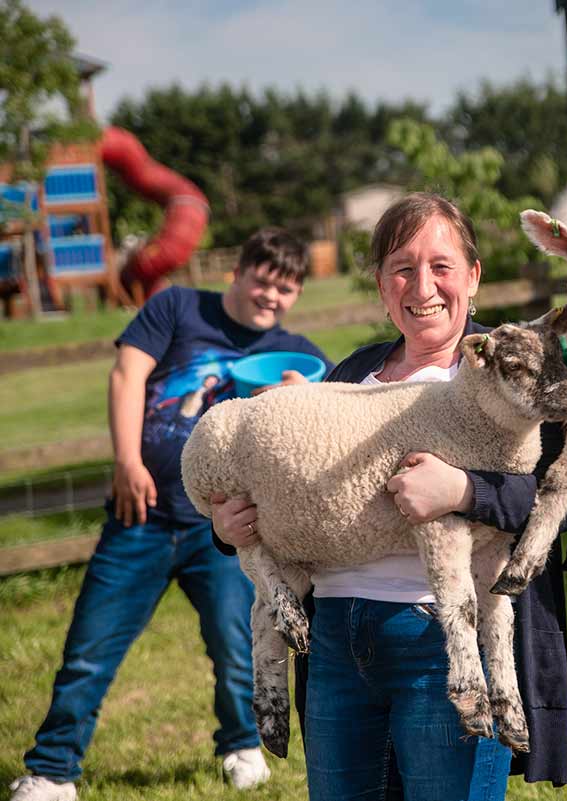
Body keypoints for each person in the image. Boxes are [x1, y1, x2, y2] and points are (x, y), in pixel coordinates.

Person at [211, 192, 567, 801]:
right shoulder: (351, 377)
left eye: (441, 266)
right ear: (382, 287)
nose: (422, 285)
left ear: (473, 277)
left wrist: (464, 490)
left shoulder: (515, 366)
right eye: (402, 268)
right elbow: (301, 492)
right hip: (334, 646)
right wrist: (231, 525)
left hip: (444, 638)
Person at [10, 229, 330, 801]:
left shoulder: (297, 354)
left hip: (231, 534)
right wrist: (127, 460)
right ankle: (52, 771)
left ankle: (241, 744)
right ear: (237, 272)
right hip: (144, 514)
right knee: (90, 648)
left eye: (286, 288)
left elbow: (324, 430)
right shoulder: (178, 307)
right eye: (263, 278)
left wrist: (301, 397)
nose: (271, 296)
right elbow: (126, 375)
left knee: (236, 646)